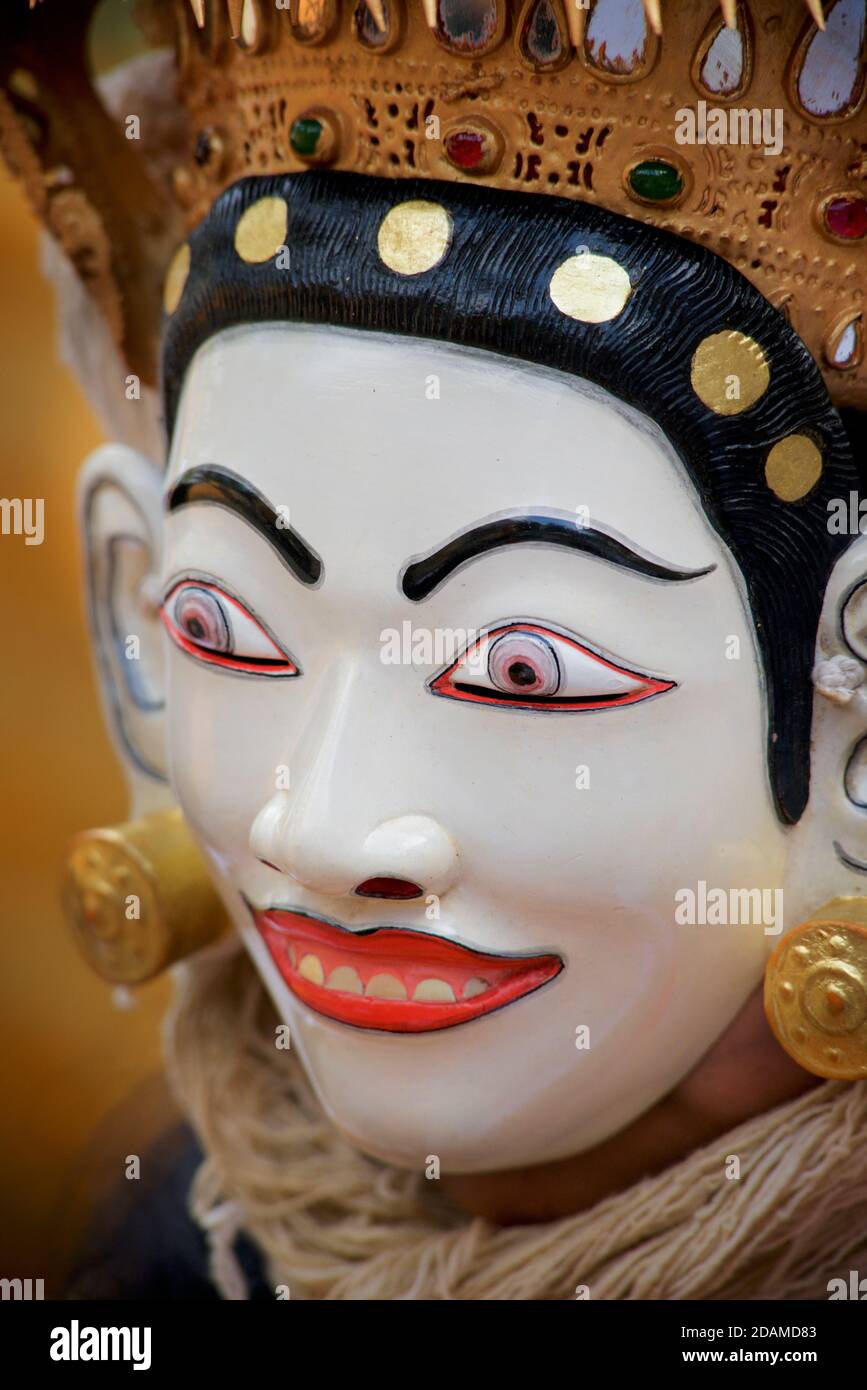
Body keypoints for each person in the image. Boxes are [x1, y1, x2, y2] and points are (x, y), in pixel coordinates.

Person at [4, 0, 867, 1299]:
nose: (328, 827)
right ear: (134, 614)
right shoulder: (189, 1248)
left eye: (524, 670)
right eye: (224, 630)